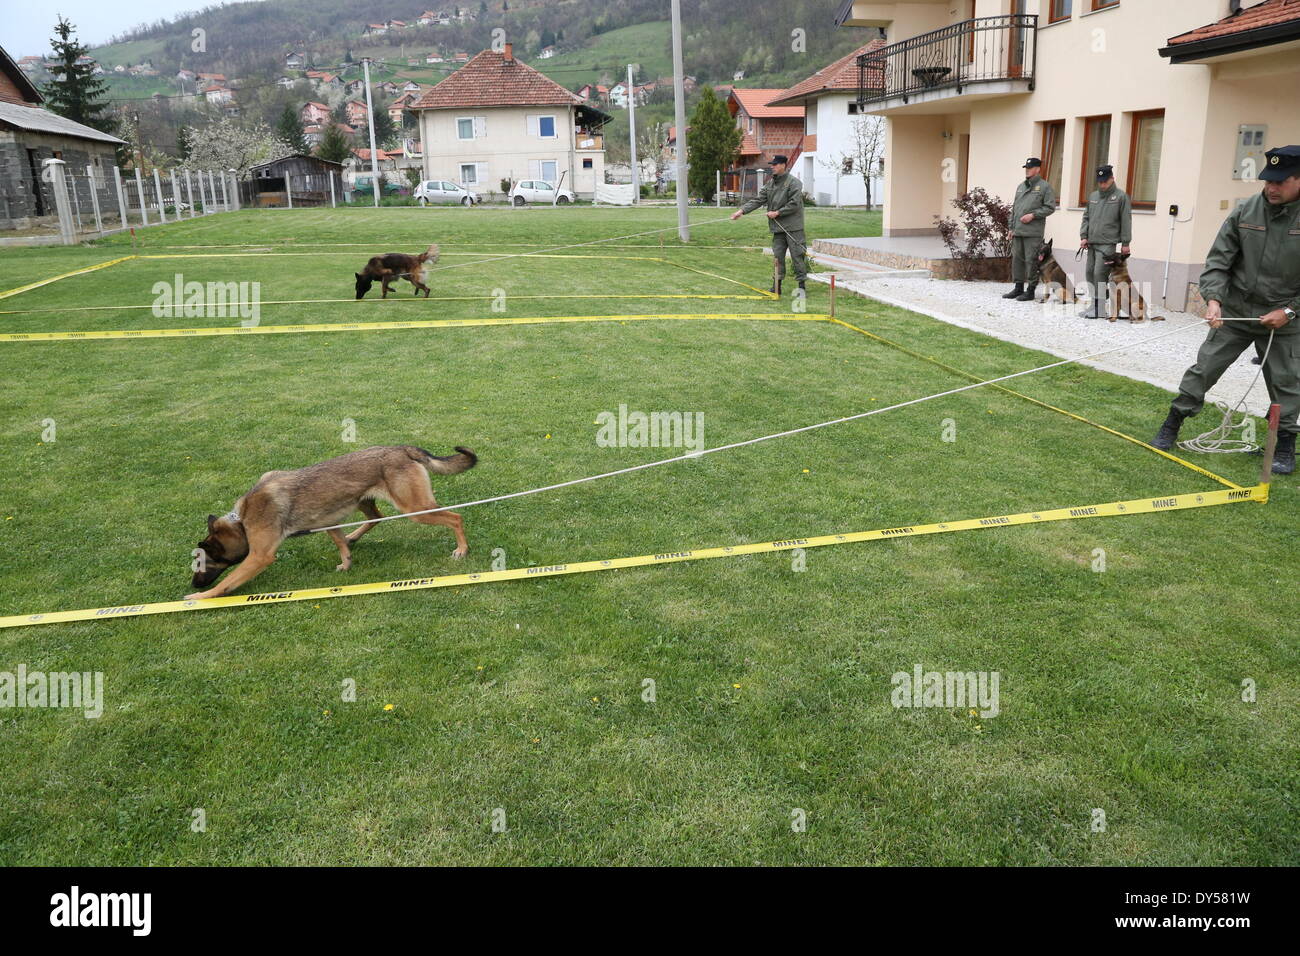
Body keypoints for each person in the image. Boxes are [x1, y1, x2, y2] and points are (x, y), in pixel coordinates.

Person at [1151, 145, 1300, 475]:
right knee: (1204, 369)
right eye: (1267, 181)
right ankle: (1172, 423)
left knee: (1288, 384)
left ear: (1298, 179)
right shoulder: (1245, 211)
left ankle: (1284, 445)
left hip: (1284, 320)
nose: (1271, 188)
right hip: (1236, 311)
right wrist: (1214, 299)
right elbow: (1218, 261)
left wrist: (1289, 311)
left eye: (1280, 182)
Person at [730, 155, 807, 295]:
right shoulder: (771, 184)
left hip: (793, 228)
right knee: (778, 257)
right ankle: (777, 286)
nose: (772, 166)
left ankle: (801, 285)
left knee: (798, 256)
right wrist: (741, 211)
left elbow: (794, 204)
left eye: (775, 164)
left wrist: (778, 212)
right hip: (777, 228)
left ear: (783, 165)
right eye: (772, 164)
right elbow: (758, 199)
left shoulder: (794, 183)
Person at [1078, 164, 1133, 318]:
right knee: (1089, 273)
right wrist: (1084, 236)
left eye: (1105, 181)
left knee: (1099, 273)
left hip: (1107, 243)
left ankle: (1100, 309)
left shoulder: (1121, 197)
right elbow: (1086, 217)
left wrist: (1126, 243)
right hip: (1092, 243)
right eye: (1100, 182)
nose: (1102, 184)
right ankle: (1094, 305)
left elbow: (1126, 221)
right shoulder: (1094, 196)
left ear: (1112, 179)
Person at [1002, 157, 1058, 302]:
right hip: (1018, 231)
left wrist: (1033, 215)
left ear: (1038, 169)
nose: (1027, 170)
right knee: (1017, 261)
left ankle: (1031, 290)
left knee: (1031, 261)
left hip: (1033, 232)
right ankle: (1018, 287)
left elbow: (1050, 207)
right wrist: (1011, 228)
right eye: (1026, 168)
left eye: (1030, 167)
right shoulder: (1021, 186)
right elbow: (1014, 209)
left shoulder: (1044, 187)